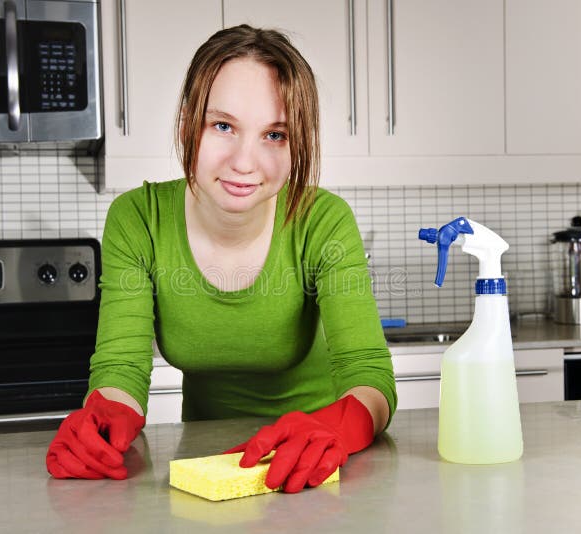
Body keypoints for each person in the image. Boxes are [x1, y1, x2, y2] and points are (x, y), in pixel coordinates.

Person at [46, 24, 397, 493]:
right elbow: (121, 368)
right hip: (204, 468)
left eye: (275, 135)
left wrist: (337, 428)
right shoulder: (139, 220)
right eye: (223, 126)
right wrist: (104, 419)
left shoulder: (322, 221)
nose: (244, 162)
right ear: (189, 120)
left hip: (318, 466)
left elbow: (368, 373)